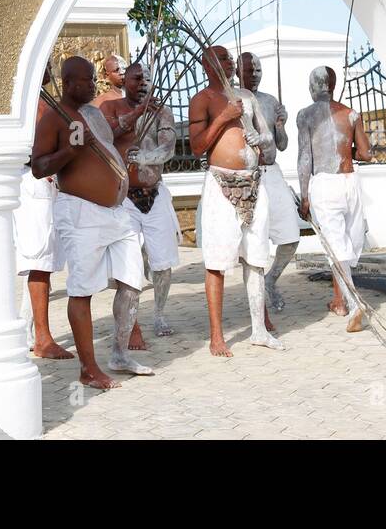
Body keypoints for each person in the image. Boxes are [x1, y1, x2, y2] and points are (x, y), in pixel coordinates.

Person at [32, 55, 150, 389]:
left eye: (92, 79)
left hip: (117, 211)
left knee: (132, 279)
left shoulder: (94, 113)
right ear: (68, 83)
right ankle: (88, 369)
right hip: (80, 212)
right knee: (82, 290)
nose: (92, 85)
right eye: (85, 80)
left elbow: (106, 143)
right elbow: (39, 167)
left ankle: (119, 353)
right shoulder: (53, 119)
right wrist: (69, 151)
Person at [188, 44, 283, 356]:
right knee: (217, 262)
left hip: (255, 182)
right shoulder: (202, 100)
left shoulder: (248, 97)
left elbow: (268, 142)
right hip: (220, 184)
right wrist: (224, 117)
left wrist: (262, 138)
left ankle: (258, 330)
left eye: (230, 57)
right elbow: (197, 147)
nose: (229, 62)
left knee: (256, 258)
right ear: (206, 65)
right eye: (223, 58)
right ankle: (217, 335)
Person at [101, 62, 180, 342]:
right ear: (125, 82)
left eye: (148, 78)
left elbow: (168, 149)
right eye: (136, 78)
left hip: (155, 193)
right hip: (124, 198)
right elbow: (104, 136)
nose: (142, 83)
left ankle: (158, 314)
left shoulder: (162, 112)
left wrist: (143, 158)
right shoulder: (112, 107)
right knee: (130, 263)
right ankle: (130, 324)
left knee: (162, 262)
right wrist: (138, 112)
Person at [296, 66, 372, 332]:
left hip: (325, 184)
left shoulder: (305, 115)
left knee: (337, 248)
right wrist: (349, 146)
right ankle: (342, 301)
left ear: (314, 87)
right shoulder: (351, 114)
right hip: (350, 182)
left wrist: (304, 196)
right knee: (349, 245)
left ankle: (353, 303)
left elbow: (305, 158)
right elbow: (366, 153)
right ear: (333, 85)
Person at [237, 52, 301, 315]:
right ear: (237, 72)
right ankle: (257, 299)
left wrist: (280, 124)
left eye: (258, 71)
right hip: (249, 175)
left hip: (272, 173)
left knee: (291, 235)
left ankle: (271, 280)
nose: (254, 76)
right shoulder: (234, 99)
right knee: (255, 241)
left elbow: (282, 145)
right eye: (249, 71)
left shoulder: (270, 101)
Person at [16, 64, 72, 360]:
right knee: (39, 262)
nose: (49, 67)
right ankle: (42, 339)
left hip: (46, 186)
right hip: (33, 184)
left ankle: (28, 331)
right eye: (45, 62)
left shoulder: (45, 102)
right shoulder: (26, 104)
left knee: (44, 262)